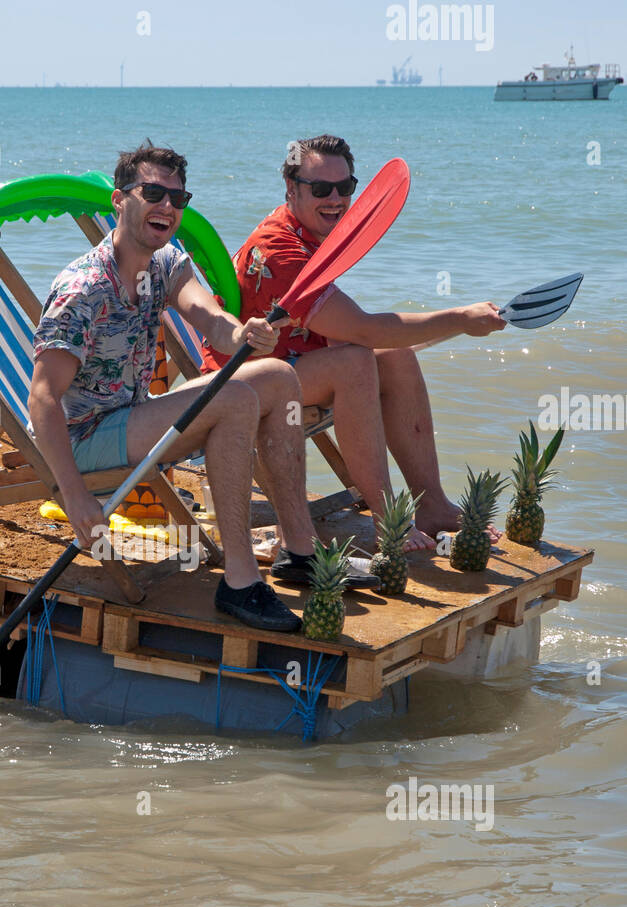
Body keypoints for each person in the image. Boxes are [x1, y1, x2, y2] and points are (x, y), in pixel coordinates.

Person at [27, 142, 379, 636]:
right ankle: (240, 580)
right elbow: (42, 399)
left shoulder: (165, 262)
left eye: (178, 198)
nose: (167, 206)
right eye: (153, 193)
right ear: (119, 200)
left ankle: (300, 551)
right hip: (82, 441)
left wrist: (242, 335)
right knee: (233, 399)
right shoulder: (83, 289)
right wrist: (74, 496)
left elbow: (211, 319)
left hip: (132, 418)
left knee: (278, 376)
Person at [201, 134, 508, 549]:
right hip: (238, 381)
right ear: (291, 188)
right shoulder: (279, 250)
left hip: (288, 361)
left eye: (344, 187)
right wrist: (459, 319)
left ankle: (433, 504)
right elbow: (363, 329)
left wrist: (457, 324)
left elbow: (362, 331)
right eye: (320, 189)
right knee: (355, 363)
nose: (335, 199)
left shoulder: (306, 229)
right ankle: (388, 521)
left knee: (394, 355)